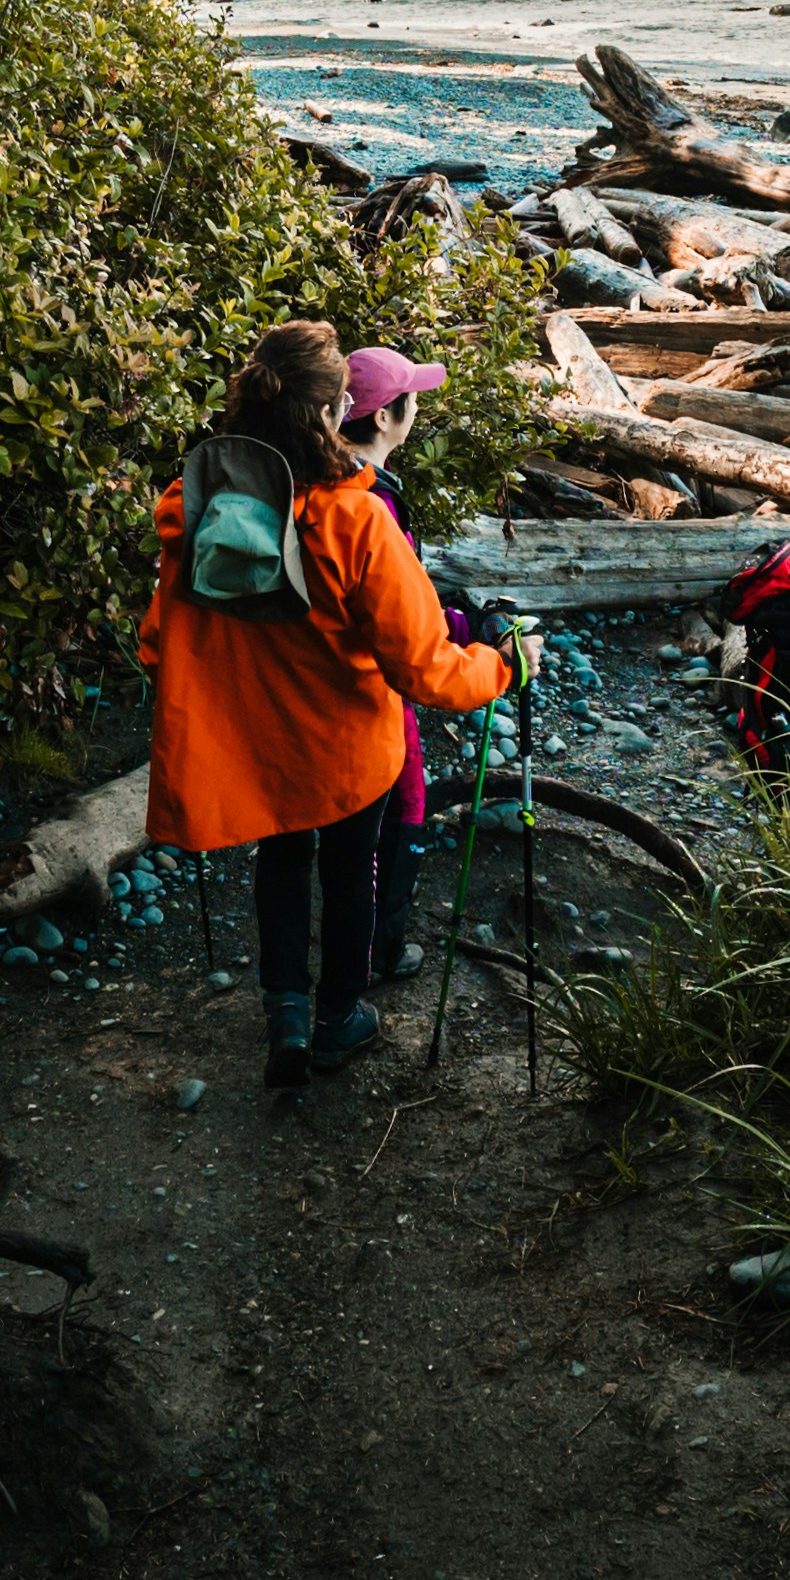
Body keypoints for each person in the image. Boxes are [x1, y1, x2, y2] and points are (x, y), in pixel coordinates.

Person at [139, 319, 538, 1091]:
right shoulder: (353, 519)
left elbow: (160, 633)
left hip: (254, 738)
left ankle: (285, 1010)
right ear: (331, 415)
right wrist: (504, 667)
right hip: (349, 747)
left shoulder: (190, 506)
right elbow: (424, 668)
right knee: (352, 874)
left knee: (282, 863)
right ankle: (338, 1017)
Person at [338, 341, 462, 980]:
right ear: (386, 417)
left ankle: (353, 959)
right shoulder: (374, 500)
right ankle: (380, 951)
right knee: (404, 801)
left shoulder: (321, 478)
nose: (417, 408)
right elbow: (395, 612)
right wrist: (466, 634)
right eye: (410, 398)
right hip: (375, 687)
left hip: (323, 680)